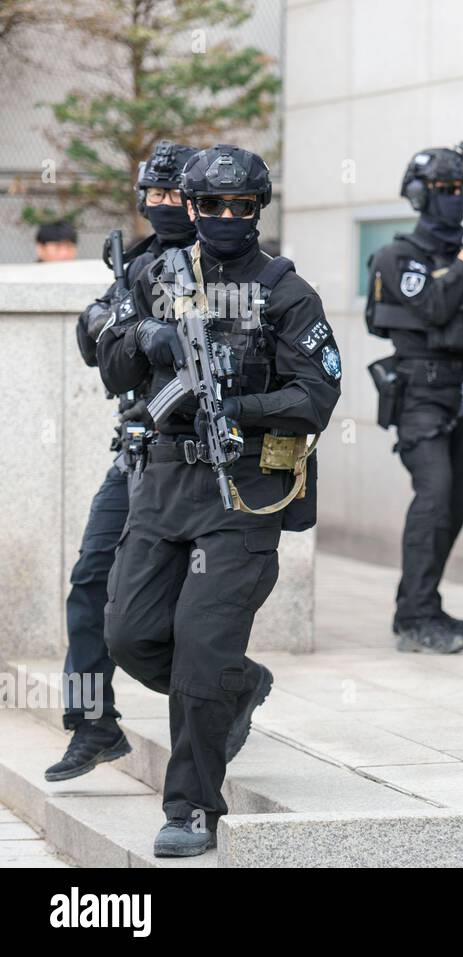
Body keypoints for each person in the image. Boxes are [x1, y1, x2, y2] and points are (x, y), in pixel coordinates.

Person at [97, 144, 341, 857]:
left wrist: (242, 403)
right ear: (192, 208)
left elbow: (318, 394)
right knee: (131, 636)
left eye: (241, 207)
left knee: (200, 654)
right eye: (213, 206)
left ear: (258, 210)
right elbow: (113, 367)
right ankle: (238, 686)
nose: (228, 217)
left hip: (243, 494)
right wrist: (148, 335)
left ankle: (192, 807)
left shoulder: (286, 292)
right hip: (165, 486)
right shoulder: (157, 276)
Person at [45, 141, 198, 783]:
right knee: (89, 581)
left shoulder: (226, 268)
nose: (164, 207)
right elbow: (95, 344)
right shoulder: (133, 265)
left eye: (175, 196)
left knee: (184, 603)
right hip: (134, 448)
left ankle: (221, 701)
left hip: (191, 457)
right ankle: (92, 724)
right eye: (154, 196)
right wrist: (121, 325)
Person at [365, 143, 463, 654]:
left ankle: (421, 601)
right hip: (420, 395)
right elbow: (431, 306)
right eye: (443, 190)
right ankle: (413, 618)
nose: (453, 199)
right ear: (418, 195)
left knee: (453, 502)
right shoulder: (399, 256)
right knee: (433, 495)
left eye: (459, 190)